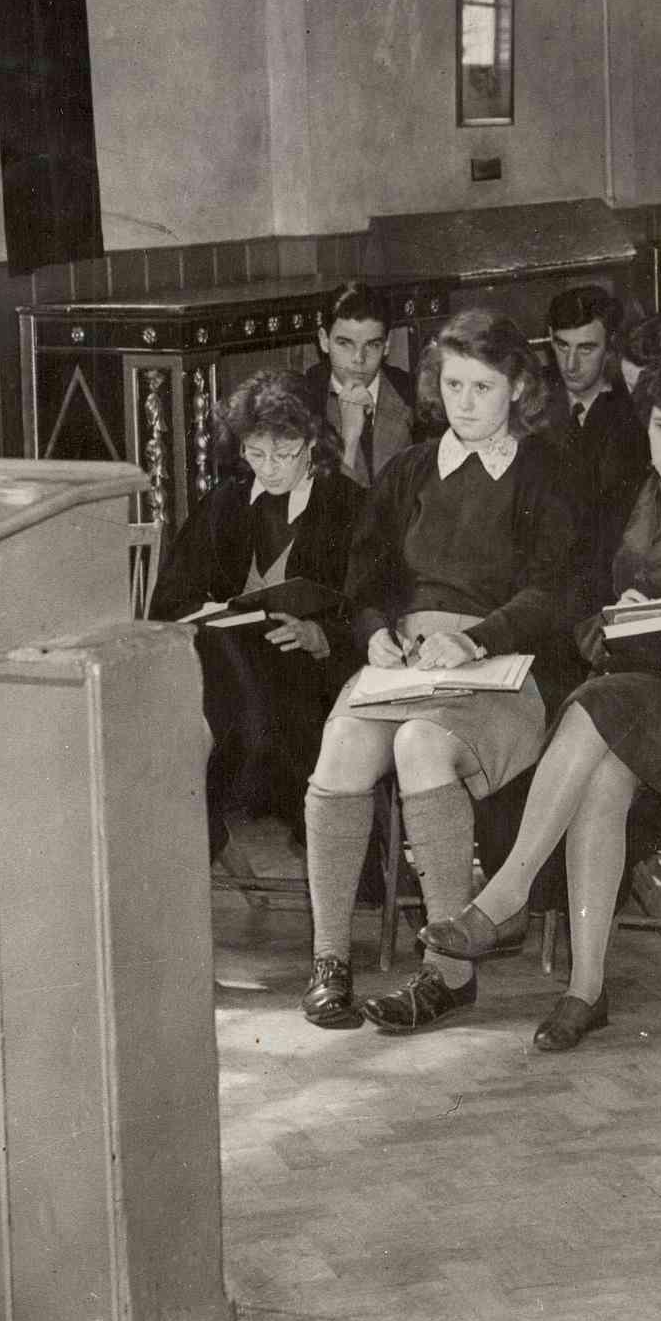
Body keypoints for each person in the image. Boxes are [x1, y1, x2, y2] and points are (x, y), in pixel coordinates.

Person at [417, 358, 661, 1049]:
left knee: (595, 705)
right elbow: (577, 605)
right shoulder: (620, 496)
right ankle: (584, 989)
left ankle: (506, 895)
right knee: (600, 770)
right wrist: (615, 619)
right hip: (636, 685)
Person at [298, 309, 581, 1034]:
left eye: (482, 387)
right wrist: (373, 634)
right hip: (409, 666)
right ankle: (330, 962)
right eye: (454, 385)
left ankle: (448, 973)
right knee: (340, 747)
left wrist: (478, 639)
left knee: (419, 744)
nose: (465, 402)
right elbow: (364, 581)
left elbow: (555, 591)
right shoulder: (410, 470)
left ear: (518, 388)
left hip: (503, 670)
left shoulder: (545, 473)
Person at [148, 367, 365, 857]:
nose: (269, 468)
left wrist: (321, 634)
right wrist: (213, 613)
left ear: (313, 442)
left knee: (220, 718)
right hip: (226, 669)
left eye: (284, 454)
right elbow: (170, 601)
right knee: (220, 658)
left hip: (311, 675)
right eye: (255, 452)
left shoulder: (346, 506)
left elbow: (373, 604)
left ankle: (201, 827)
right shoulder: (226, 502)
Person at [542, 283, 651, 549]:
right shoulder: (532, 401)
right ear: (550, 337)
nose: (570, 364)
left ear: (611, 345)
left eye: (586, 349)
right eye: (562, 346)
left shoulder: (633, 413)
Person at [304, 281, 417, 489]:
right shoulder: (304, 403)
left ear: (387, 345)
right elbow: (319, 504)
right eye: (344, 343)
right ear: (324, 340)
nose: (359, 359)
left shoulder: (412, 395)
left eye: (372, 345)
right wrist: (349, 439)